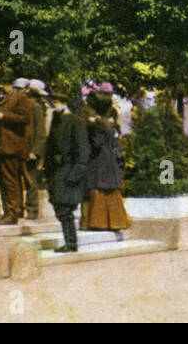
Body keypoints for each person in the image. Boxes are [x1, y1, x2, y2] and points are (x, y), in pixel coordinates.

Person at [82, 86, 131, 236]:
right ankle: (115, 221)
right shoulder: (111, 121)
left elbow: (96, 143)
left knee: (97, 187)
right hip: (110, 158)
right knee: (110, 189)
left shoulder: (97, 123)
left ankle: (97, 222)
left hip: (98, 159)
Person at [44, 94, 89, 252]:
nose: (52, 106)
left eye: (55, 103)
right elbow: (50, 146)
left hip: (69, 170)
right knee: (60, 208)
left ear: (64, 104)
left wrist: (75, 174)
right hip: (57, 171)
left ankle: (71, 243)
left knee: (65, 209)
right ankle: (69, 242)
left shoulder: (75, 122)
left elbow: (83, 150)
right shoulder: (56, 121)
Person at [0, 78, 34, 225]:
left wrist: (3, 116)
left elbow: (25, 118)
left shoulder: (20, 97)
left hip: (12, 146)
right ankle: (15, 210)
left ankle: (12, 213)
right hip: (9, 145)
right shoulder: (11, 97)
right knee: (12, 181)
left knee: (10, 181)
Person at [24, 79, 50, 219]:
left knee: (31, 182)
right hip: (26, 149)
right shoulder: (33, 106)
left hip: (32, 150)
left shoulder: (36, 107)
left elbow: (41, 133)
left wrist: (35, 151)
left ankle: (32, 210)